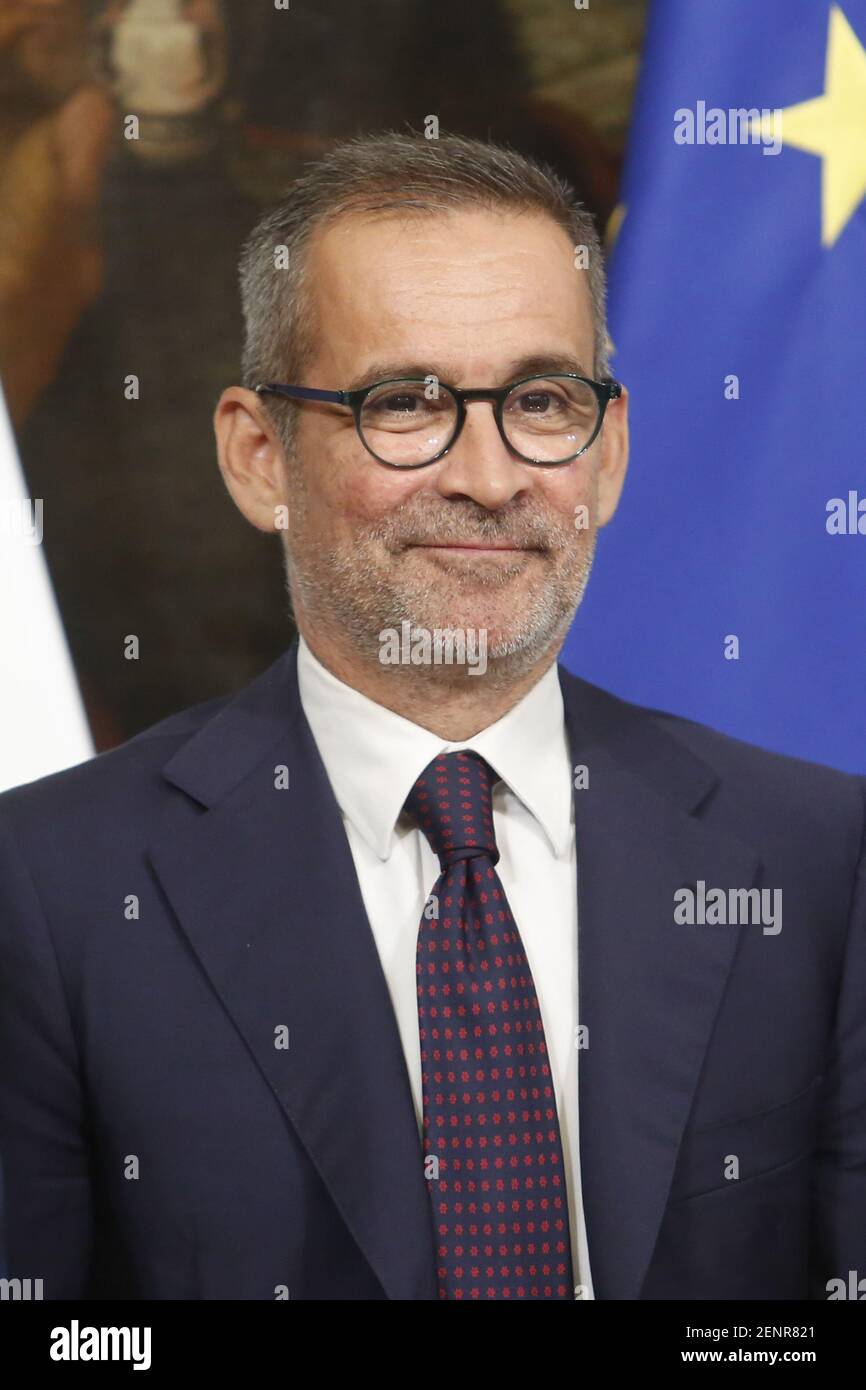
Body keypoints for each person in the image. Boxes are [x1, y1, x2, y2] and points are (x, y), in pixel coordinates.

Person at [0, 131, 863, 1301]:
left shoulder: (816, 859)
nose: (490, 477)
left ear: (605, 454)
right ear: (260, 457)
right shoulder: (47, 888)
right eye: (405, 403)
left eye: (541, 400)